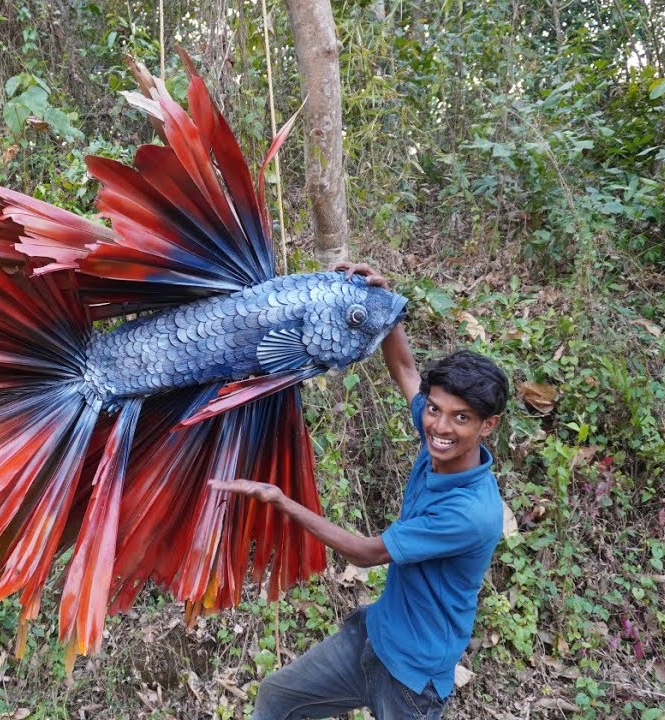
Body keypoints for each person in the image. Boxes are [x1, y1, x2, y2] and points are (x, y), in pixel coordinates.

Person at [211, 263, 509, 720]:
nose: (440, 426)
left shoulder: (471, 512)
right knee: (277, 698)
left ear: (488, 425)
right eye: (435, 410)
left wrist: (280, 500)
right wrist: (383, 306)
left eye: (460, 417)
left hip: (412, 679)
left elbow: (368, 553)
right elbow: (406, 369)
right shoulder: (440, 442)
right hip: (373, 637)